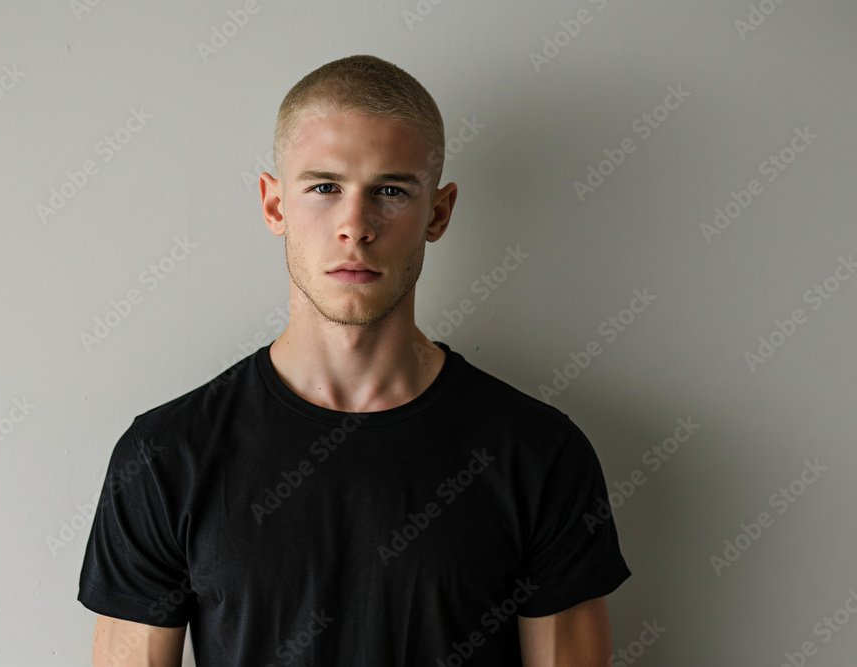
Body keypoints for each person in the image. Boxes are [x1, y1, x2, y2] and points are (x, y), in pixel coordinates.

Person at [78, 54, 630, 666]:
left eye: (390, 191)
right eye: (324, 188)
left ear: (438, 213)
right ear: (275, 205)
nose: (355, 227)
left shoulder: (540, 454)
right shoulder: (164, 456)